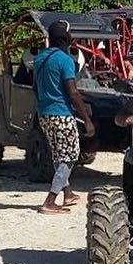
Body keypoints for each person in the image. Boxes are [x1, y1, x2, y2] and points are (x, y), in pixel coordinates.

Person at [33, 20, 95, 215]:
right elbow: (73, 92)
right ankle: (50, 201)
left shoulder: (40, 58)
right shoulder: (65, 60)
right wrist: (87, 119)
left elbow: (35, 88)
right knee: (69, 156)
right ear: (66, 38)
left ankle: (68, 193)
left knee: (58, 153)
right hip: (61, 114)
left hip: (44, 113)